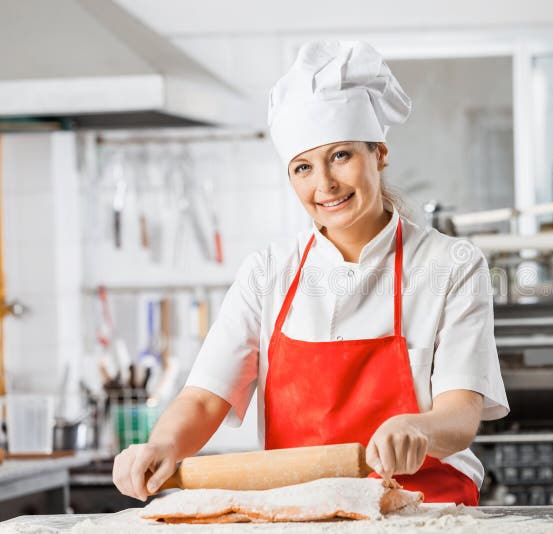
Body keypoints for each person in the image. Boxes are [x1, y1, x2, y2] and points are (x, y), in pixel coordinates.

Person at [112, 40, 509, 506]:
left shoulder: (451, 265)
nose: (324, 185)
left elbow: (461, 416)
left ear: (379, 153)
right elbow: (204, 398)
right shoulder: (268, 273)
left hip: (426, 511)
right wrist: (161, 445)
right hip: (302, 514)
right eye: (303, 167)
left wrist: (418, 427)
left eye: (341, 156)